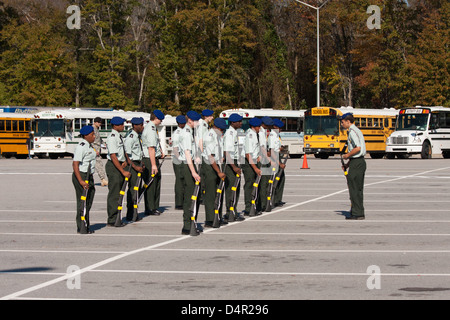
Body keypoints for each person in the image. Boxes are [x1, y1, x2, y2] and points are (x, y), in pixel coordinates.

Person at [340, 112, 366, 220]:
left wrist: (347, 155)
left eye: (342, 122)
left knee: (354, 188)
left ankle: (357, 212)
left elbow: (357, 148)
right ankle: (357, 210)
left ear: (348, 121)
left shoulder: (352, 132)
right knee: (357, 188)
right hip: (357, 162)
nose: (342, 124)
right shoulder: (356, 130)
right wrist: (347, 165)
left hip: (357, 162)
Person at [105, 116, 130, 227]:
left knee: (119, 193)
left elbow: (120, 153)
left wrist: (124, 162)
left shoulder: (119, 136)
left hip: (119, 165)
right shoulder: (112, 137)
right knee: (114, 193)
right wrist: (123, 171)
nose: (123, 126)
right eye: (121, 124)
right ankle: (112, 219)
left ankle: (117, 217)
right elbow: (113, 156)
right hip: (114, 166)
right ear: (115, 126)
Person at [180, 110, 202, 235]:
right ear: (190, 121)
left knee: (194, 195)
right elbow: (187, 154)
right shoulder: (187, 134)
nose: (198, 123)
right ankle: (187, 225)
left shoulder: (189, 132)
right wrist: (193, 172)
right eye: (196, 121)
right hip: (188, 167)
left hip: (190, 164)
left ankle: (191, 222)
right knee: (190, 196)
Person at [203, 118, 227, 227]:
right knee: (211, 194)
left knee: (219, 193)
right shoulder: (210, 136)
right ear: (217, 128)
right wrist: (218, 172)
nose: (223, 131)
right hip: (209, 166)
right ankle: (210, 219)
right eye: (222, 129)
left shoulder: (217, 136)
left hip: (216, 165)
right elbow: (210, 156)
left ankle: (218, 216)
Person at [72, 125, 96, 234]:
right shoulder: (82, 146)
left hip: (88, 175)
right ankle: (82, 226)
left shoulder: (89, 146)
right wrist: (81, 181)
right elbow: (75, 164)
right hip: (81, 175)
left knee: (88, 201)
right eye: (92, 135)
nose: (94, 136)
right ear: (86, 136)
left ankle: (85, 224)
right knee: (83, 202)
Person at [142, 110, 165, 216]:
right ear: (156, 118)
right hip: (150, 159)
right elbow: (151, 148)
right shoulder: (151, 129)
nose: (161, 121)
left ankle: (153, 206)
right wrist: (154, 165)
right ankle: (151, 207)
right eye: (160, 119)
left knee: (155, 182)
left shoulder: (150, 127)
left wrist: (160, 152)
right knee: (152, 183)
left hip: (151, 158)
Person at [223, 113, 244, 222]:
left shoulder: (236, 132)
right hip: (231, 163)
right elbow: (227, 153)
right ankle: (229, 212)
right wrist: (234, 167)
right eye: (239, 121)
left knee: (236, 189)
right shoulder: (230, 134)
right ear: (232, 123)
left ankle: (233, 210)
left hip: (236, 161)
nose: (241, 123)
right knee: (231, 188)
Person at [124, 117, 145, 222]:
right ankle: (130, 213)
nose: (142, 127)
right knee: (133, 190)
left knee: (137, 190)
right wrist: (135, 166)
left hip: (138, 163)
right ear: (135, 126)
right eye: (141, 125)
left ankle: (134, 212)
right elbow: (126, 155)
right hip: (132, 165)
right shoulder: (131, 137)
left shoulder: (137, 136)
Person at [243, 117, 263, 216]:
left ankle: (255, 205)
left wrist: (258, 156)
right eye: (258, 126)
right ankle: (248, 208)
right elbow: (248, 154)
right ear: (253, 126)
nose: (260, 128)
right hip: (249, 163)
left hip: (254, 160)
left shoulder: (255, 134)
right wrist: (255, 168)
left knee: (256, 184)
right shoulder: (249, 135)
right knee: (250, 185)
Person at [171, 115, 186, 210]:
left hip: (183, 158)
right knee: (180, 181)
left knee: (184, 181)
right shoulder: (177, 133)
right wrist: (180, 159)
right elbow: (175, 148)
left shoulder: (184, 132)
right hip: (179, 159)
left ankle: (183, 200)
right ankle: (179, 203)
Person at [258, 116, 273, 211]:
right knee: (263, 183)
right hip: (263, 159)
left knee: (266, 182)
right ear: (265, 124)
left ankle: (263, 203)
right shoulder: (261, 132)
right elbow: (262, 147)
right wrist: (268, 158)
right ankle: (262, 204)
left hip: (264, 158)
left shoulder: (263, 131)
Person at [272, 118, 286, 207]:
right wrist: (279, 163)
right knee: (275, 181)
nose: (281, 130)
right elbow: (273, 151)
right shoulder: (273, 136)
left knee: (281, 179)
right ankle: (274, 200)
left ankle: (278, 199)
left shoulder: (276, 135)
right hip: (274, 159)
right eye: (279, 128)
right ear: (275, 127)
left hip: (278, 157)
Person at [92, 117, 108, 186]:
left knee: (97, 164)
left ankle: (102, 179)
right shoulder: (92, 129)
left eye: (100, 123)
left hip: (97, 148)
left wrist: (104, 144)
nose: (100, 124)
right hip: (94, 148)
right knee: (99, 164)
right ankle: (103, 179)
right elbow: (91, 141)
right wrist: (94, 150)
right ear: (95, 122)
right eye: (98, 122)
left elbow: (99, 139)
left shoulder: (96, 129)